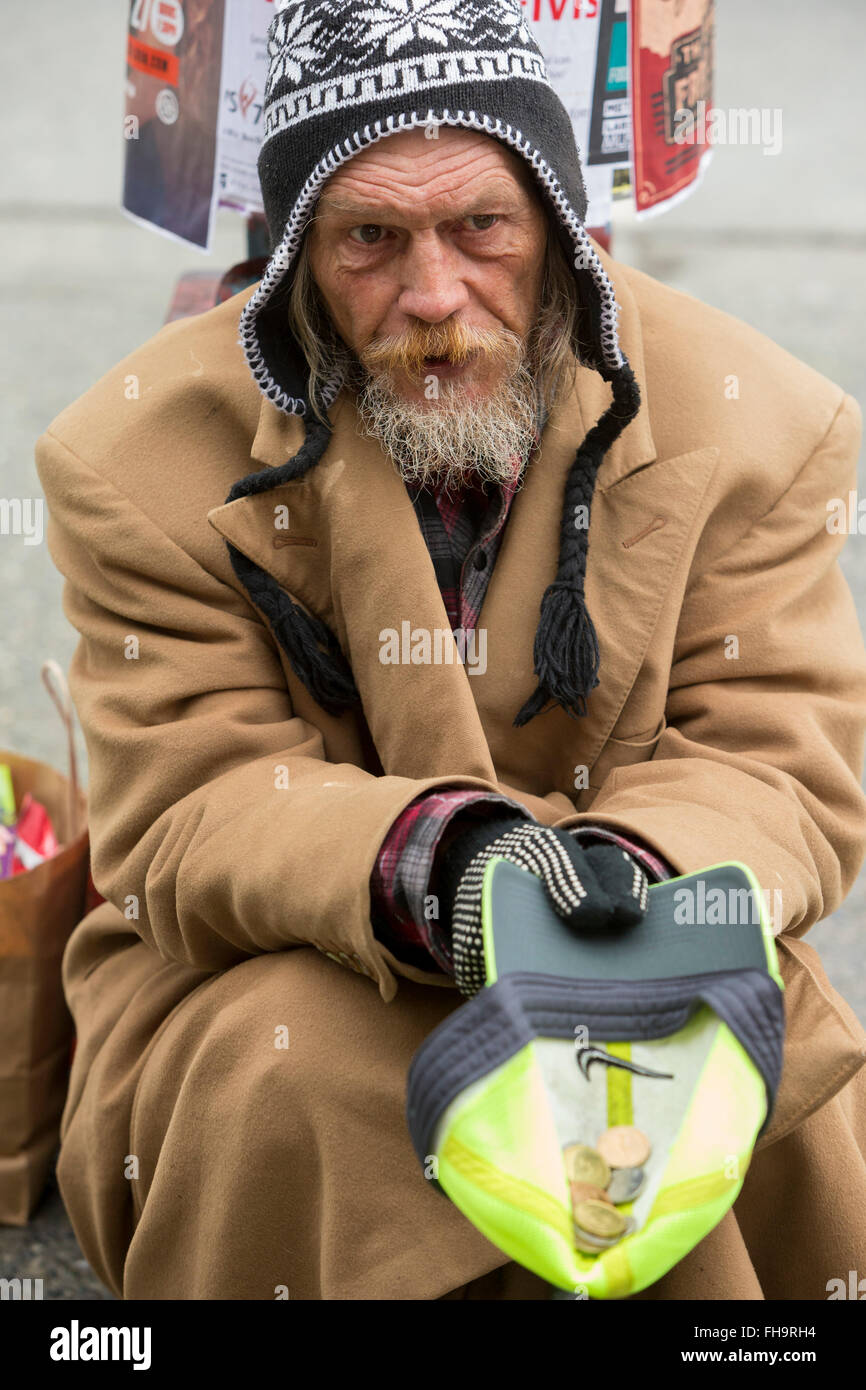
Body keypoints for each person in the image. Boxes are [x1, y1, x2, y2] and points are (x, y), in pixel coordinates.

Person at [36, 0, 866, 1300]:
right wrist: (452, 870)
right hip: (296, 963)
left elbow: (784, 768)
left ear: (554, 228)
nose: (433, 295)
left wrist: (614, 886)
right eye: (370, 238)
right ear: (299, 254)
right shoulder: (130, 462)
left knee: (675, 1063)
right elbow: (187, 814)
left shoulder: (759, 421)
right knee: (290, 1062)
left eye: (481, 227)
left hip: (645, 927)